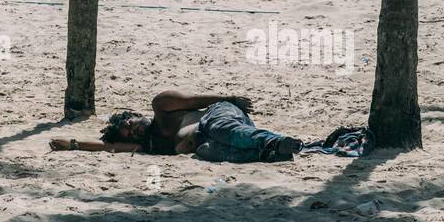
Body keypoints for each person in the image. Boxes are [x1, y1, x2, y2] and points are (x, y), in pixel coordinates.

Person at [49, 90, 301, 163]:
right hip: (206, 142)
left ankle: (273, 141)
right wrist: (73, 145)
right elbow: (106, 147)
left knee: (220, 129)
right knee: (206, 153)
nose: (134, 129)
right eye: (130, 133)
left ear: (135, 114)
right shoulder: (150, 143)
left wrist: (230, 99)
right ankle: (269, 154)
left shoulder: (161, 105)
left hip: (217, 114)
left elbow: (195, 100)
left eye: (130, 124)